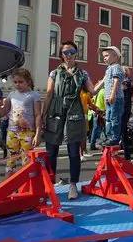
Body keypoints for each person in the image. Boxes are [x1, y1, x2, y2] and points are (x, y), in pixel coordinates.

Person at [42, 41, 97, 199]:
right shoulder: (54, 73)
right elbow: (50, 93)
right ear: (61, 55)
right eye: (65, 52)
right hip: (56, 110)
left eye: (72, 52)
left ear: (76, 53)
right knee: (51, 151)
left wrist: (106, 80)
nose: (69, 55)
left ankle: (73, 185)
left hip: (74, 110)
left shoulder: (83, 73)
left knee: (74, 151)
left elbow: (92, 90)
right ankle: (49, 186)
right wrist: (43, 115)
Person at [0, 68, 41, 178]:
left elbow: (37, 114)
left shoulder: (34, 95)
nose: (18, 85)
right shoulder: (11, 95)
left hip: (27, 132)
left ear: (28, 81)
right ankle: (9, 185)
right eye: (15, 82)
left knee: (26, 159)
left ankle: (28, 185)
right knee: (11, 159)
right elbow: (3, 112)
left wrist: (38, 133)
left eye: (21, 82)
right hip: (12, 132)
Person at [121, 67, 133, 160]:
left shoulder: (126, 83)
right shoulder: (127, 82)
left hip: (124, 109)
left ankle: (127, 155)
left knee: (123, 132)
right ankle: (127, 154)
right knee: (123, 132)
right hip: (124, 109)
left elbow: (121, 88)